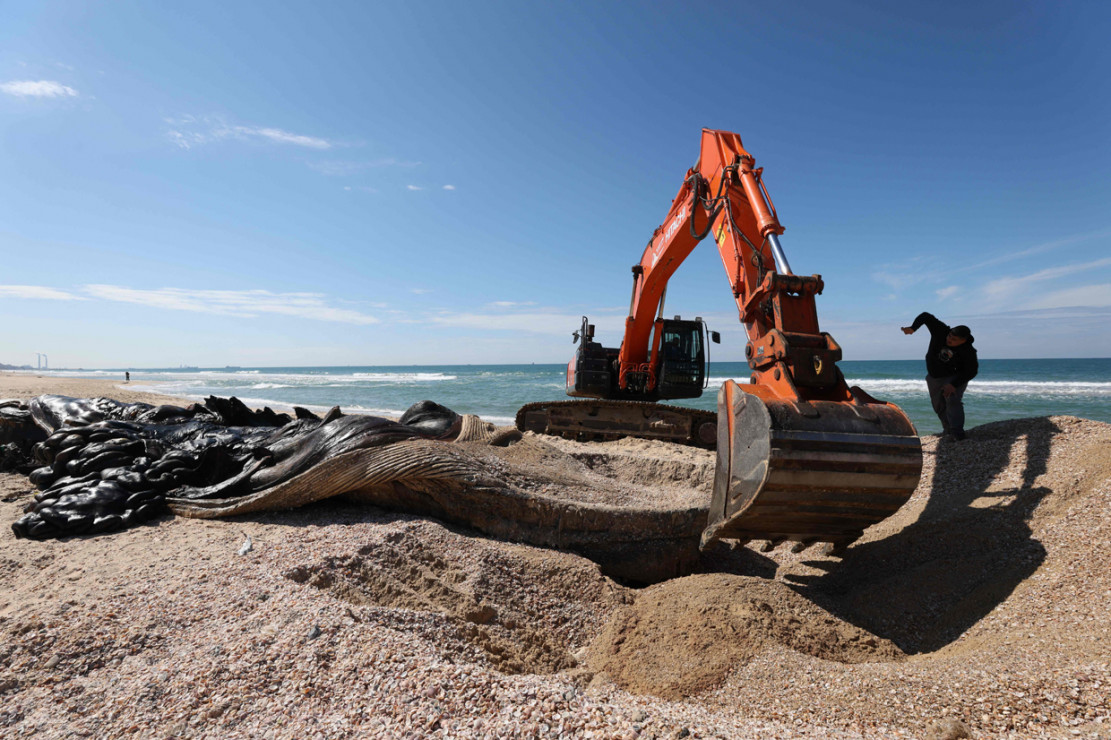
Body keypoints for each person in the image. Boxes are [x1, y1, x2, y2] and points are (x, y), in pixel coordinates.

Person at [901, 312, 978, 440]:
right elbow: (926, 316)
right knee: (939, 405)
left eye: (954, 340)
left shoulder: (968, 351)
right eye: (949, 336)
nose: (949, 340)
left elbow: (971, 371)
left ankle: (957, 433)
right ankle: (948, 430)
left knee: (952, 400)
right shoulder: (941, 330)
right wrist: (913, 328)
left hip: (954, 377)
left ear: (963, 340)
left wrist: (953, 385)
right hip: (934, 377)